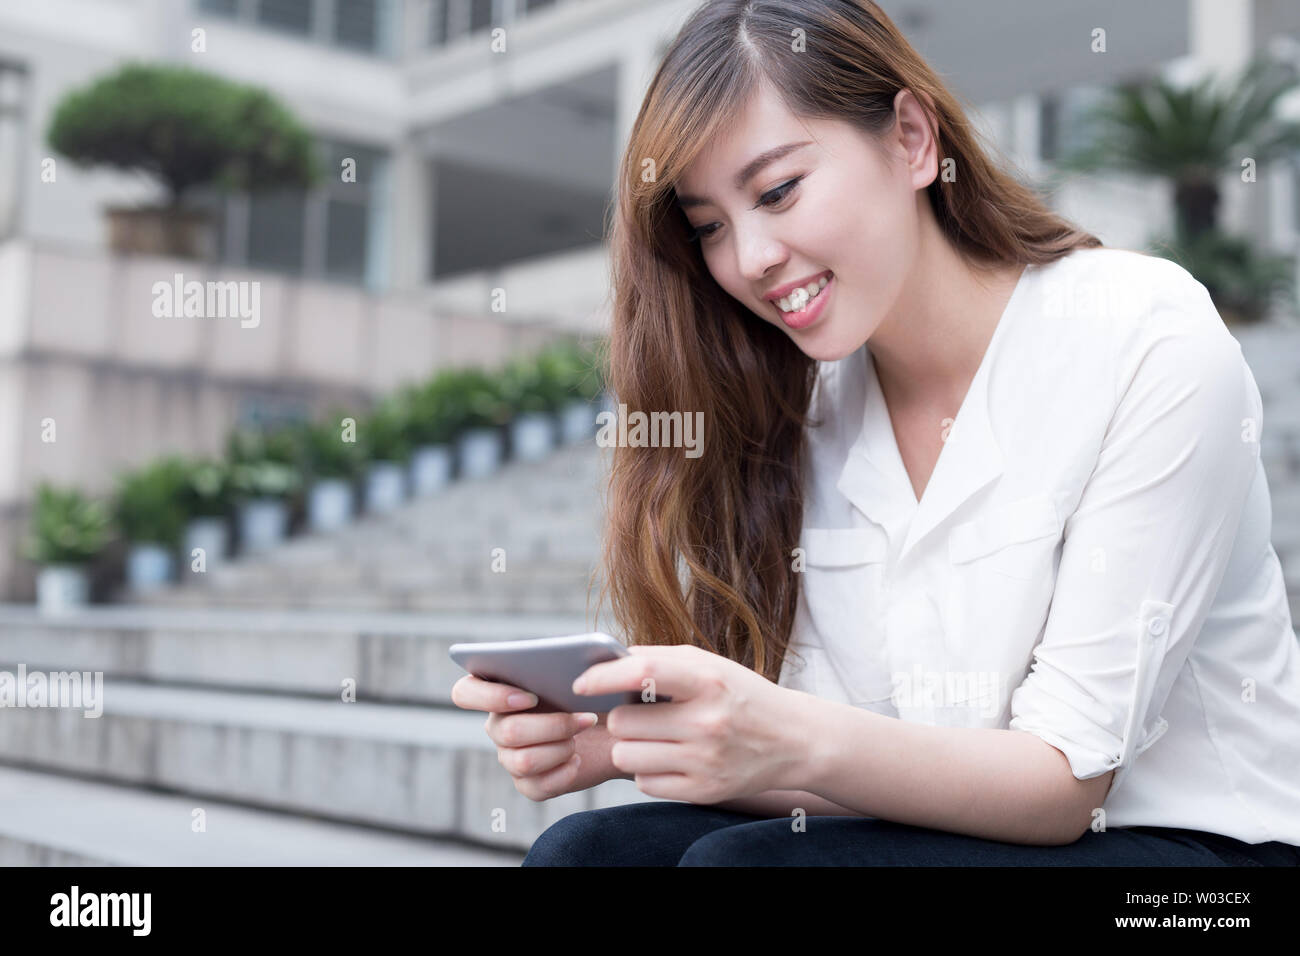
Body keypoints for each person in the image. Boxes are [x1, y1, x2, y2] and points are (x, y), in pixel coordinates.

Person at [452, 0, 1300, 866]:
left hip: (1199, 870)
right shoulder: (812, 410)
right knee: (589, 851)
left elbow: (1061, 785)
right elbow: (876, 765)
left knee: (749, 867)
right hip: (966, 831)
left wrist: (781, 732)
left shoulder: (1145, 336)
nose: (749, 260)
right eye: (709, 227)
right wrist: (627, 745)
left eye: (778, 190)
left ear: (911, 140)